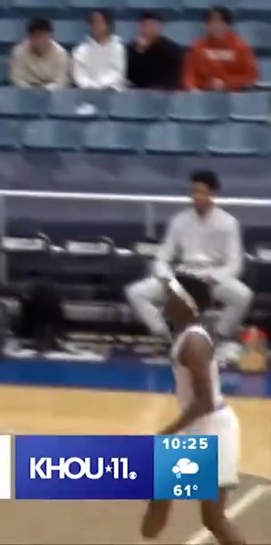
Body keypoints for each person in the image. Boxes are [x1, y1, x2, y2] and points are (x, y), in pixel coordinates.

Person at [139, 273, 244, 545]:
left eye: (172, 295)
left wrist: (166, 432)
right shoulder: (186, 336)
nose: (166, 300)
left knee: (213, 518)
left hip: (214, 430)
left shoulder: (195, 342)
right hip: (196, 427)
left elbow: (205, 402)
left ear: (186, 303)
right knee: (155, 509)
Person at [125, 170, 251, 359]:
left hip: (212, 276)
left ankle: (215, 338)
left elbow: (235, 264)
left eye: (201, 192)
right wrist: (167, 278)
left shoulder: (228, 223)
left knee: (243, 296)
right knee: (136, 292)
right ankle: (169, 337)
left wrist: (213, 278)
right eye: (194, 192)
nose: (196, 197)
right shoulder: (179, 220)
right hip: (182, 274)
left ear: (212, 194)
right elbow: (163, 256)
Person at [182, 7, 258, 92]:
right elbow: (189, 76)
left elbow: (251, 75)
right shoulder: (197, 46)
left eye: (221, 22)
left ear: (228, 24)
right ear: (205, 25)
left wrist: (227, 83)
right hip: (204, 94)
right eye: (212, 22)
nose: (216, 26)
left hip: (234, 94)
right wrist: (193, 89)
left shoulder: (241, 47)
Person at [126, 11, 183, 90]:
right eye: (147, 26)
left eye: (154, 26)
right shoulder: (130, 49)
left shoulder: (172, 50)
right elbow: (129, 77)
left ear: (161, 28)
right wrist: (140, 52)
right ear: (140, 27)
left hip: (164, 94)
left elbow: (174, 78)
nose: (151, 30)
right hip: (137, 93)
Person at [71, 9, 126, 91]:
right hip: (87, 94)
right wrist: (91, 86)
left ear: (107, 25)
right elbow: (79, 75)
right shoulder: (80, 51)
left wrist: (102, 85)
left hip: (112, 94)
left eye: (100, 22)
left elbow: (117, 73)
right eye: (93, 22)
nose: (96, 26)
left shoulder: (118, 48)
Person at [10, 17, 69, 89]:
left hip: (52, 94)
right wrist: (29, 90)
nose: (40, 40)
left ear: (50, 35)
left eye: (43, 35)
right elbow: (17, 78)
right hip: (26, 92)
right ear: (29, 37)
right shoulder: (19, 52)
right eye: (36, 36)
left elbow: (60, 81)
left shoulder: (61, 54)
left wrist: (45, 90)